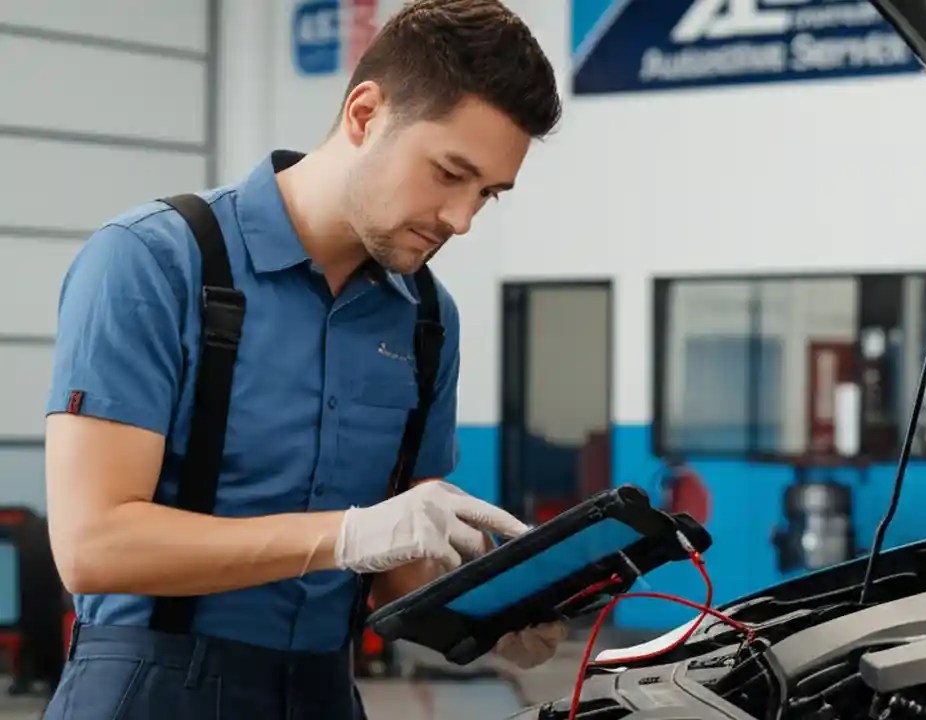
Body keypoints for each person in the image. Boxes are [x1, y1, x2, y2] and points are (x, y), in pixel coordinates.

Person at [40, 1, 565, 717]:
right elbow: (93, 547)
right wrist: (348, 534)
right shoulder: (154, 263)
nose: (460, 220)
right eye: (449, 173)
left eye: (488, 195)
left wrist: (492, 611)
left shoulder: (429, 320)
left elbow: (397, 567)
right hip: (148, 685)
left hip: (323, 690)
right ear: (364, 113)